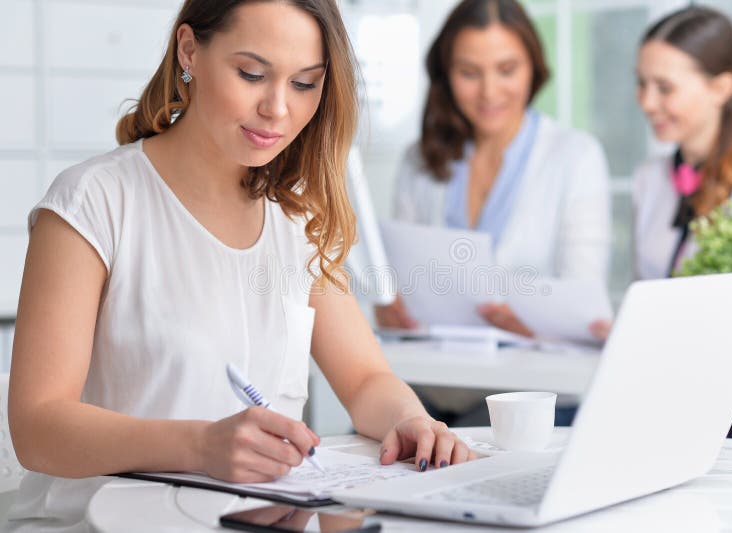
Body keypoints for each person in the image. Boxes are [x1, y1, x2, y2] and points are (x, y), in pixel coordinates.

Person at [5, 1, 474, 530]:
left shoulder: (298, 216)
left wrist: (410, 420)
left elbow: (365, 379)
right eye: (252, 74)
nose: (277, 107)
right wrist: (201, 446)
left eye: (304, 83)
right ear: (190, 51)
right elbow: (37, 427)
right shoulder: (94, 202)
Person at [375, 0, 611, 426]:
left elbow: (582, 300)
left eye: (507, 70)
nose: (489, 92)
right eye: (469, 73)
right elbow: (401, 281)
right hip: (425, 388)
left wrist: (535, 325)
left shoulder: (575, 157)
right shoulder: (419, 161)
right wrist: (388, 307)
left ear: (533, 69)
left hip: (528, 400)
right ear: (446, 76)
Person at [592, 6, 732, 442]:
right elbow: (642, 292)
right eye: (641, 83)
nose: (646, 102)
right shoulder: (651, 178)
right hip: (664, 394)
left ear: (721, 86)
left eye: (664, 87)